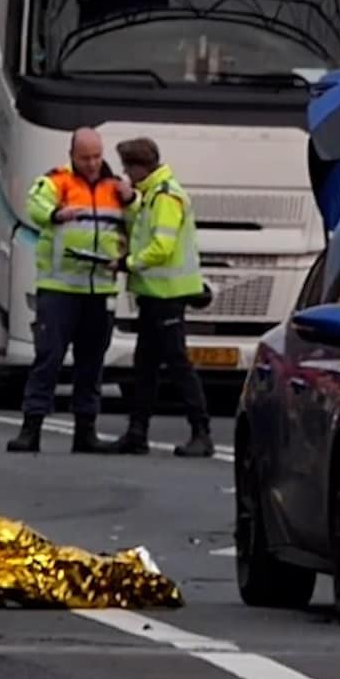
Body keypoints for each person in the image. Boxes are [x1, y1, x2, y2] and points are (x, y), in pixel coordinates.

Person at [6, 127, 131, 455]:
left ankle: (85, 431)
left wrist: (132, 197)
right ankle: (31, 428)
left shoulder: (114, 187)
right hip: (59, 287)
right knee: (48, 358)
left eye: (97, 156)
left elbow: (136, 216)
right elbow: (34, 205)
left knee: (92, 363)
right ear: (72, 155)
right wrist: (55, 214)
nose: (92, 163)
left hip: (100, 288)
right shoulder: (57, 181)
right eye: (85, 157)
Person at [108, 137, 214, 459]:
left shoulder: (167, 197)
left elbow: (161, 248)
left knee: (177, 364)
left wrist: (126, 264)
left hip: (169, 296)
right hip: (153, 295)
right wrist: (128, 204)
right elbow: (140, 224)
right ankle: (137, 432)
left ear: (140, 167)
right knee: (146, 365)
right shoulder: (153, 195)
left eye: (128, 167)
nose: (126, 173)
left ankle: (202, 432)